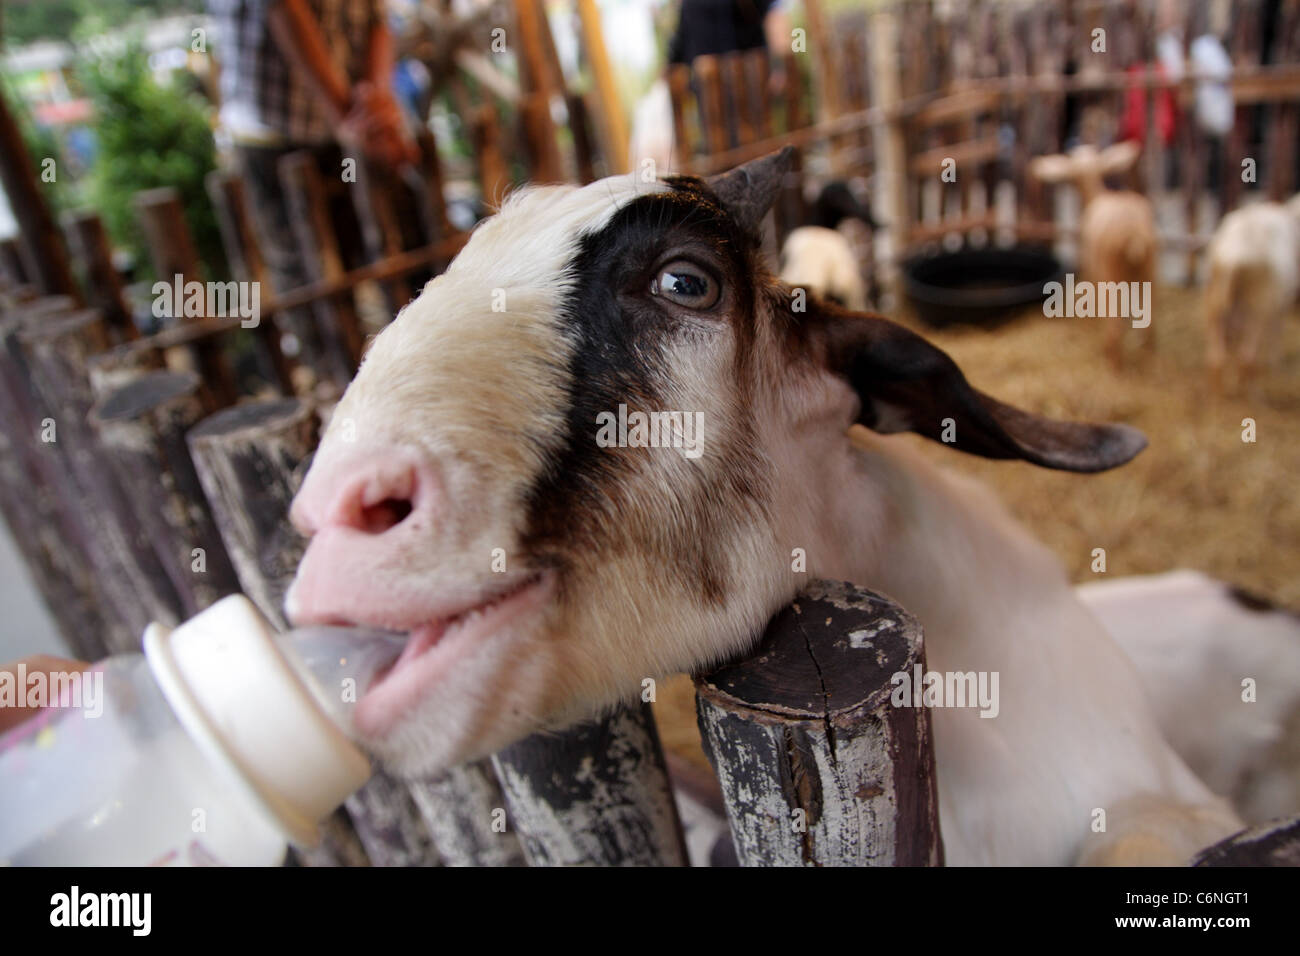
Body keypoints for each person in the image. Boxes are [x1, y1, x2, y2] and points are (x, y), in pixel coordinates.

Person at [205, 0, 418, 370]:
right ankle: (336, 385)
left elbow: (377, 19)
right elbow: (284, 8)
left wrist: (373, 107)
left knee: (378, 250)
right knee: (308, 276)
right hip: (274, 132)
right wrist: (351, 119)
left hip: (351, 124)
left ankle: (395, 372)